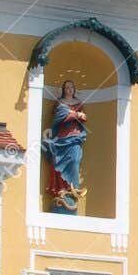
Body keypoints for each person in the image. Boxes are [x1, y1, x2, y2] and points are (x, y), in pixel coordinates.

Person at [42, 79, 89, 212]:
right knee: (58, 161)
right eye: (67, 87)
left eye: (71, 87)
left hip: (75, 138)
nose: (69, 89)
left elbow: (84, 118)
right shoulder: (59, 103)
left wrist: (75, 115)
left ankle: (72, 189)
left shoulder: (79, 103)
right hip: (61, 137)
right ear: (63, 89)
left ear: (74, 90)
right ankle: (62, 189)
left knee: (74, 161)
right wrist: (75, 115)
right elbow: (59, 117)